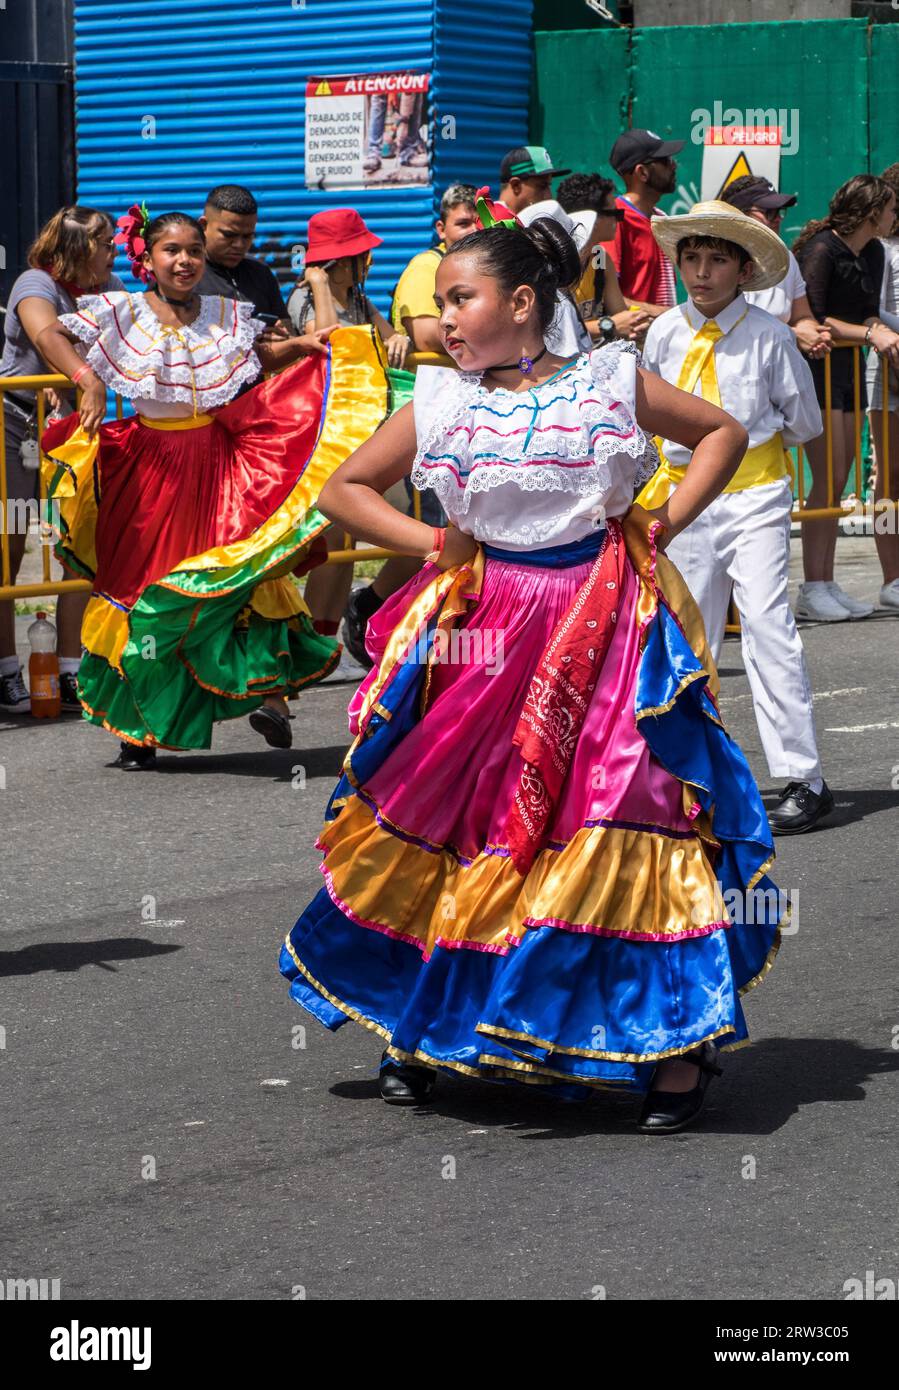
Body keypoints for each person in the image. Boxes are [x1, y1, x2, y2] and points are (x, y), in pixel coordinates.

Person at [278, 209, 785, 1135]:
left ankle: (666, 1045)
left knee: (622, 810)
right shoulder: (437, 398)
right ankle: (422, 1025)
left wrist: (666, 519)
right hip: (485, 631)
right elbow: (342, 490)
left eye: (460, 299)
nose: (445, 319)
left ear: (520, 303)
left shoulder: (608, 380)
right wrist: (434, 543)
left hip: (604, 617)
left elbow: (719, 432)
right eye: (440, 304)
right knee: (467, 811)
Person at [37, 207, 386, 768]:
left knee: (242, 570)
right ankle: (141, 727)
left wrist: (296, 348)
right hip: (150, 472)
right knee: (150, 589)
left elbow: (249, 364)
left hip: (222, 463)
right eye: (171, 251)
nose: (184, 261)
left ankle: (271, 696)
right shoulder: (119, 313)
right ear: (147, 258)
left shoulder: (225, 313)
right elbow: (48, 330)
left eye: (193, 252)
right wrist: (85, 379)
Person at [639, 199, 831, 835]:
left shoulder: (772, 338)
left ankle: (804, 777)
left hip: (753, 495)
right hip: (685, 499)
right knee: (686, 633)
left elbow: (803, 420)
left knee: (768, 622)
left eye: (717, 259)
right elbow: (647, 418)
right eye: (691, 258)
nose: (701, 272)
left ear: (744, 270)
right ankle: (691, 774)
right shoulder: (664, 333)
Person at [341, 186, 479, 667]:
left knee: (451, 528)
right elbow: (426, 334)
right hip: (431, 411)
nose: (473, 229)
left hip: (470, 412)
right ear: (441, 229)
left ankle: (405, 622)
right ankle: (380, 612)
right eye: (463, 222)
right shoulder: (426, 266)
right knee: (436, 530)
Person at [0, 206, 124, 714]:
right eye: (105, 243)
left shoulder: (106, 283)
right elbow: (47, 335)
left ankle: (70, 667)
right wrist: (84, 379)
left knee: (75, 544)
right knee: (8, 549)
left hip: (71, 432)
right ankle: (7, 669)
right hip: (14, 428)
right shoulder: (36, 283)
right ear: (78, 248)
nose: (114, 253)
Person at [287, 208, 411, 639]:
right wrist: (319, 284)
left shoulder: (360, 299)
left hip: (365, 426)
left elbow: (389, 336)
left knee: (381, 533)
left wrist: (398, 339)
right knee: (334, 538)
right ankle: (316, 640)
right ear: (342, 261)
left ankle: (338, 628)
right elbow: (329, 343)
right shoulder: (304, 297)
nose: (370, 262)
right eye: (363, 254)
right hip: (325, 433)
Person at [794, 174, 899, 620]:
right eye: (891, 209)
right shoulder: (821, 249)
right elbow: (816, 320)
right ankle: (813, 584)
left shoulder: (873, 252)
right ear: (871, 212)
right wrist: (876, 334)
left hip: (851, 373)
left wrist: (873, 328)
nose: (896, 216)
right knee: (828, 479)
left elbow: (867, 312)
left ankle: (827, 582)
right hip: (819, 374)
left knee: (838, 481)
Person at [196, 184, 323, 371]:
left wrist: (281, 339)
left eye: (247, 236)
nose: (239, 245)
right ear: (204, 225)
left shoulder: (260, 273)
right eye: (229, 235)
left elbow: (285, 328)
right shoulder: (185, 277)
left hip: (259, 394)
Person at [719, 175, 831, 359]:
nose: (778, 218)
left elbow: (802, 315)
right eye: (768, 212)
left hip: (777, 371)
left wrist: (813, 332)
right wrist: (793, 334)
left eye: (779, 211)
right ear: (740, 214)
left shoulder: (786, 257)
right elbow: (727, 322)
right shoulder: (722, 260)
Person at [556, 173, 653, 343]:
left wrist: (637, 323)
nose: (619, 220)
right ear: (594, 217)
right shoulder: (555, 262)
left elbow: (620, 315)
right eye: (615, 213)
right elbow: (553, 330)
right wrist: (608, 325)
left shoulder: (600, 259)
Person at [601, 128, 685, 318]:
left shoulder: (661, 218)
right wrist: (665, 315)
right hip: (629, 344)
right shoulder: (614, 219)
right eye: (665, 161)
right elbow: (605, 296)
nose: (674, 166)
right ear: (643, 172)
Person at [866, 163, 899, 611]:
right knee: (890, 477)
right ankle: (893, 577)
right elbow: (871, 309)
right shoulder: (882, 251)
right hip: (886, 374)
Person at [498, 145, 571, 215]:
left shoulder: (524, 222)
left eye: (549, 186)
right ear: (515, 185)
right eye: (542, 186)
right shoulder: (490, 223)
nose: (549, 196)